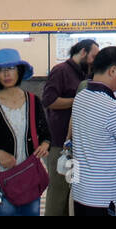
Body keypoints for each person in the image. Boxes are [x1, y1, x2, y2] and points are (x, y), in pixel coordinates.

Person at [0, 49, 51, 216]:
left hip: (29, 179)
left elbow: (46, 134)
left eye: (11, 68)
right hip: (1, 181)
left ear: (19, 71)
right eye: (1, 70)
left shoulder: (32, 101)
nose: (6, 74)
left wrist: (45, 144)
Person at [71, 46, 116, 215]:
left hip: (81, 190)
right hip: (104, 195)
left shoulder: (81, 97)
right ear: (113, 71)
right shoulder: (112, 106)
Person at [41, 38, 98, 216]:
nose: (95, 61)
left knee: (70, 192)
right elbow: (49, 101)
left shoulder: (84, 74)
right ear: (82, 52)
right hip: (59, 143)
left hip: (77, 142)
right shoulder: (61, 71)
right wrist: (78, 100)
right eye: (93, 56)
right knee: (58, 193)